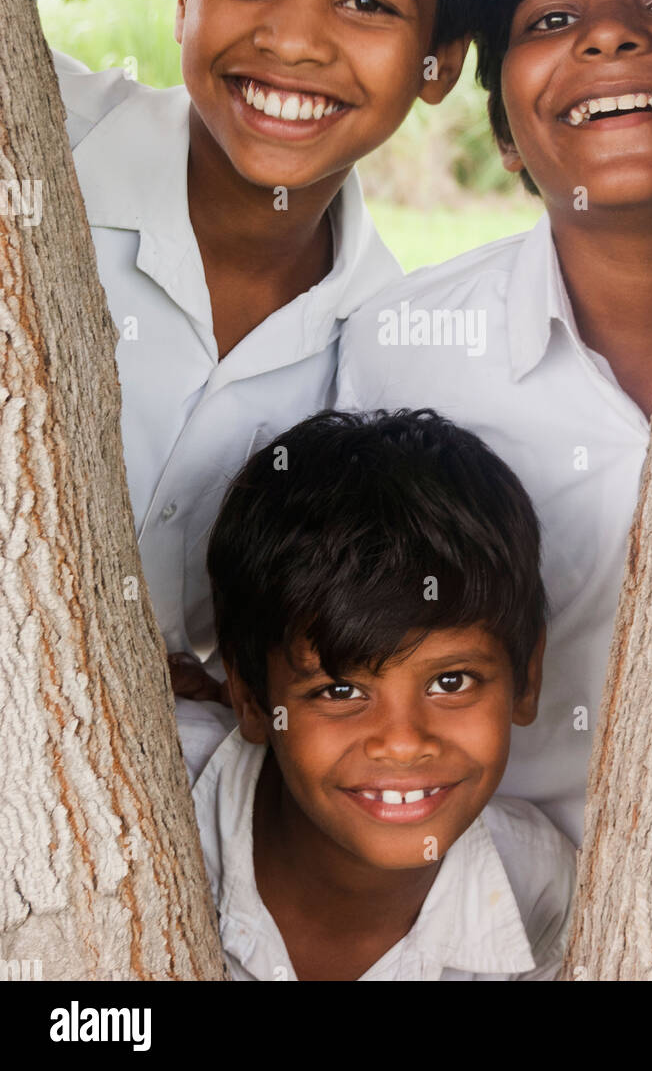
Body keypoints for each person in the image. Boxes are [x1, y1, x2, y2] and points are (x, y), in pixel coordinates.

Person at [54, 0, 506, 669]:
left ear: (442, 62)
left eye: (366, 3)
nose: (294, 41)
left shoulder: (389, 366)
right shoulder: (41, 141)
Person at [337, 0, 652, 844]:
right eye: (551, 19)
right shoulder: (400, 354)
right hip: (521, 894)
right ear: (506, 134)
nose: (611, 34)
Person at [175, 409, 576, 981]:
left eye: (451, 682)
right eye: (340, 690)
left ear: (526, 678)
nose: (404, 743)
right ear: (250, 697)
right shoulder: (146, 794)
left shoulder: (543, 898)